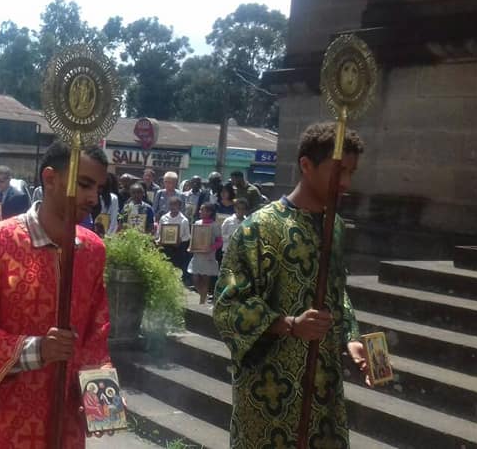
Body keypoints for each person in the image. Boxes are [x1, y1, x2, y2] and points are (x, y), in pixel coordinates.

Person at [0, 141, 113, 448]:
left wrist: (102, 400)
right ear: (50, 179)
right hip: (0, 418)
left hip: (63, 416)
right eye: (84, 184)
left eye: (99, 188)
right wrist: (38, 350)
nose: (93, 198)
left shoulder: (92, 251)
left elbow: (95, 334)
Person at [213, 122, 371, 447]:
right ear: (305, 166)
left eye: (351, 173)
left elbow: (335, 292)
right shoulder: (258, 229)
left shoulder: (335, 226)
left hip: (323, 383)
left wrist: (351, 337)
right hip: (270, 389)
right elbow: (228, 305)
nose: (346, 183)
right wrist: (288, 324)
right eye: (338, 171)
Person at [187, 202, 222, 306]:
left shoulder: (215, 225)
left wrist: (210, 248)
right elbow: (193, 238)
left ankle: (202, 303)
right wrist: (190, 246)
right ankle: (203, 296)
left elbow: (219, 241)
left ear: (209, 212)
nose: (200, 211)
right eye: (200, 209)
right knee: (195, 279)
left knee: (205, 280)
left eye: (202, 210)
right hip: (197, 255)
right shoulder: (197, 223)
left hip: (208, 256)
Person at [159, 197, 191, 283]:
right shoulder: (163, 218)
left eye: (175, 205)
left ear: (179, 206)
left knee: (176, 270)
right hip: (165, 247)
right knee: (165, 268)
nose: (173, 207)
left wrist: (179, 240)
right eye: (171, 204)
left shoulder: (184, 220)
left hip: (178, 248)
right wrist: (160, 240)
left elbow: (187, 236)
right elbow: (159, 233)